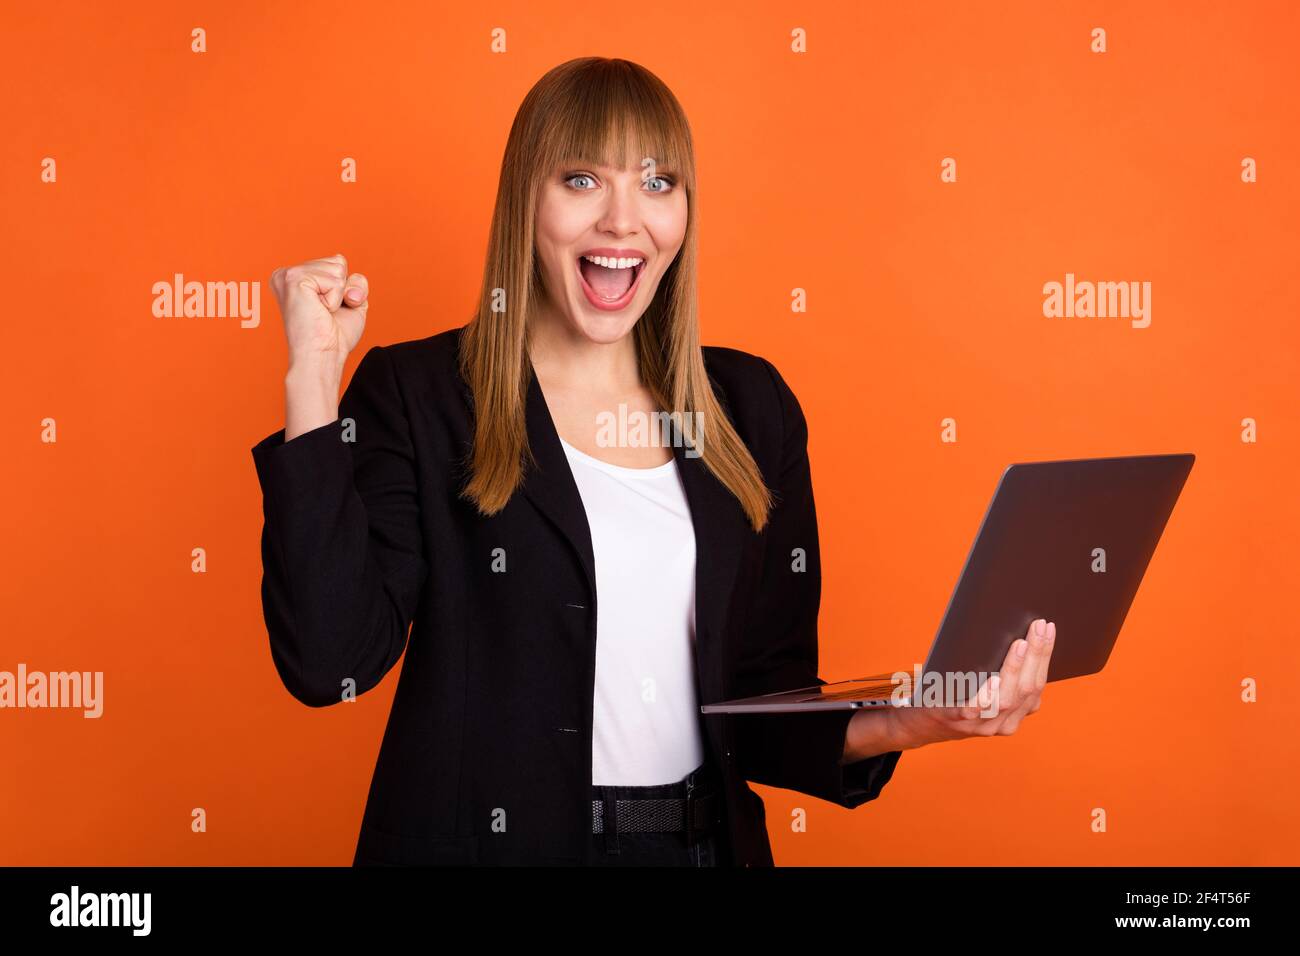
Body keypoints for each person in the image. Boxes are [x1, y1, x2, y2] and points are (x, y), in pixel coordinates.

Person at [251, 56, 1054, 867]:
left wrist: (919, 718)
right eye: (581, 181)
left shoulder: (750, 408)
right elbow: (328, 663)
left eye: (658, 183)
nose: (623, 222)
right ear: (524, 201)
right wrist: (313, 380)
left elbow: (761, 711)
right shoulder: (418, 395)